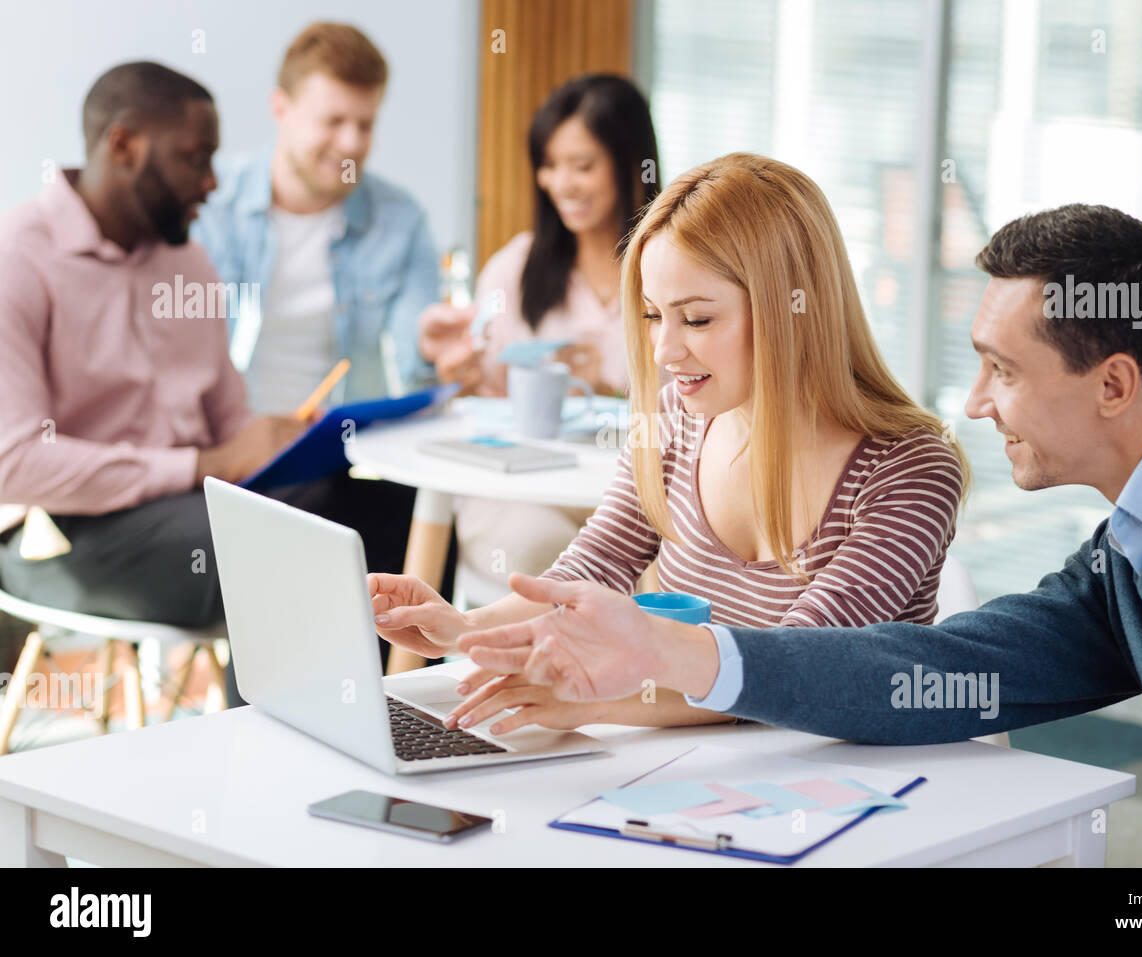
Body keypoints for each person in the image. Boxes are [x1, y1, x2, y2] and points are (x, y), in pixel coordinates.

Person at [448, 203, 1142, 868]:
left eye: (1002, 369)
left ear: (1113, 383)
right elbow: (929, 673)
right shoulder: (1127, 563)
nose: (975, 403)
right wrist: (670, 655)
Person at [369, 153, 969, 732]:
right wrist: (465, 628)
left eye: (698, 319)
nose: (664, 351)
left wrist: (591, 702)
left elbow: (792, 667)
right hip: (705, 770)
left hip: (847, 787)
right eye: (655, 316)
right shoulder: (674, 419)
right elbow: (595, 568)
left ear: (793, 310)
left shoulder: (910, 469)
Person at [0, 62, 409, 707]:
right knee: (278, 549)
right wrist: (204, 464)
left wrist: (275, 445)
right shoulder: (20, 258)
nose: (212, 182)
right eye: (195, 159)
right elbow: (13, 462)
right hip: (79, 534)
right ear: (125, 146)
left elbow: (226, 429)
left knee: (393, 517)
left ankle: (392, 732)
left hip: (199, 504)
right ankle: (266, 769)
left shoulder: (189, 261)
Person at [415, 74, 661, 601]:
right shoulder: (515, 270)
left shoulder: (672, 272)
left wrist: (611, 390)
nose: (561, 183)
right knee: (542, 548)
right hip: (520, 493)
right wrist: (458, 371)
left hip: (638, 496)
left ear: (633, 161)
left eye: (583, 165)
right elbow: (480, 396)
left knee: (671, 560)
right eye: (549, 166)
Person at [194, 21, 440, 410]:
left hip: (339, 455)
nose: (351, 144)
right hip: (224, 455)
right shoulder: (205, 202)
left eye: (365, 124)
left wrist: (433, 353)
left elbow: (415, 364)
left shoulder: (401, 221)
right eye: (333, 121)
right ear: (281, 109)